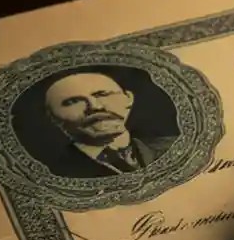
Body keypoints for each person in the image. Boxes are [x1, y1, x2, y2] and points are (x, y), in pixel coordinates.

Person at [38, 69, 176, 177]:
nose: (95, 106)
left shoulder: (173, 147)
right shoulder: (52, 174)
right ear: (52, 117)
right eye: (73, 102)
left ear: (128, 98)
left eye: (103, 94)